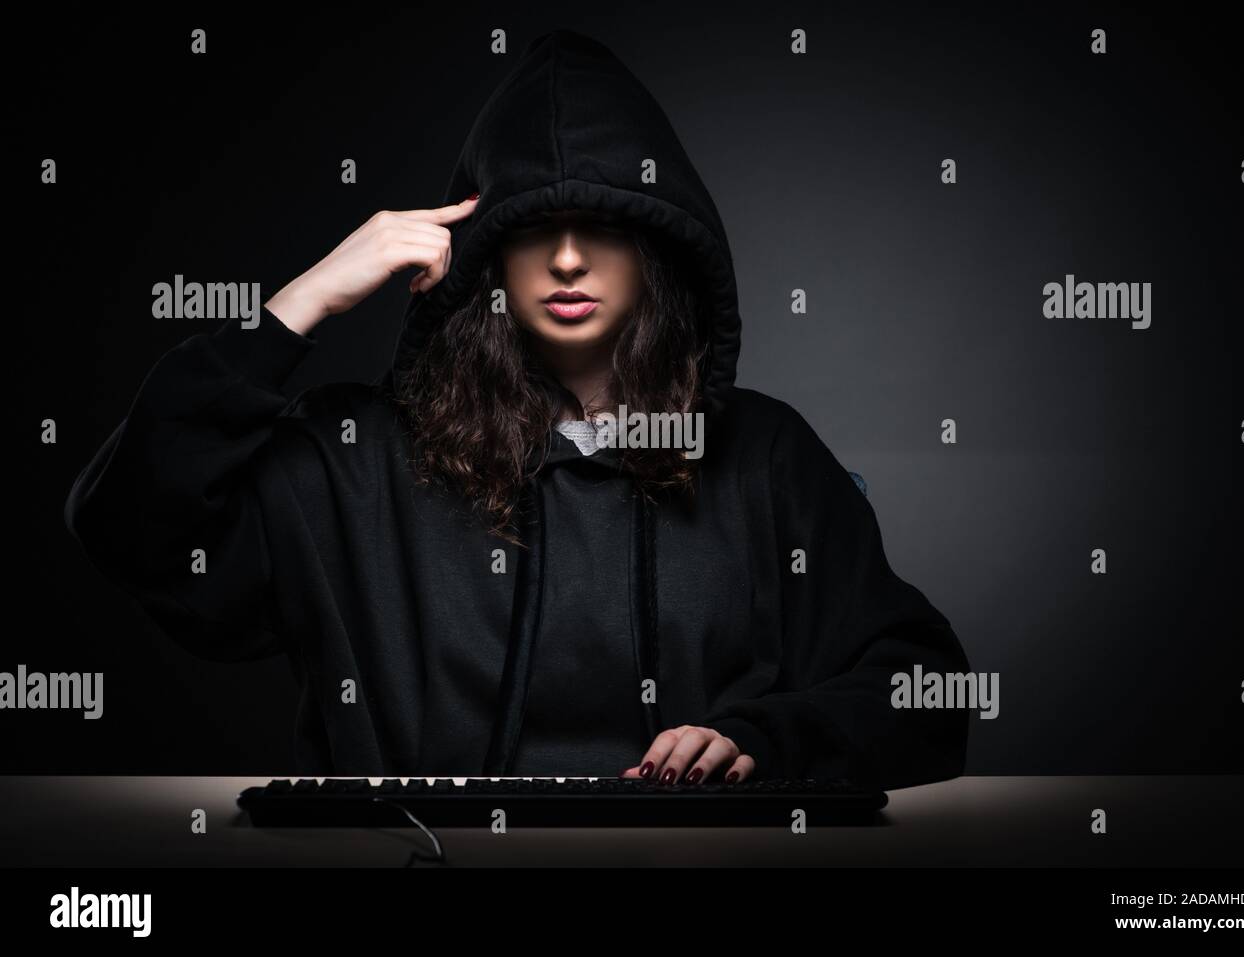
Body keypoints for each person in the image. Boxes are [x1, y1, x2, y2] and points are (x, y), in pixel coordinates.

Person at [64, 29, 970, 789]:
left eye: (603, 225)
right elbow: (130, 529)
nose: (569, 259)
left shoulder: (762, 453)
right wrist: (293, 310)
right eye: (536, 228)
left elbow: (929, 693)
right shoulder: (355, 457)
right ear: (485, 257)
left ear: (658, 248)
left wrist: (766, 740)